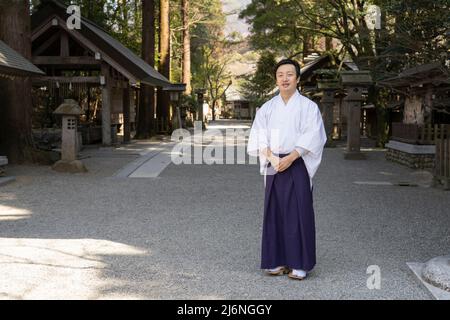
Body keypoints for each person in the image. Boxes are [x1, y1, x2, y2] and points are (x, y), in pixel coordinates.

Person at [247, 59, 327, 280]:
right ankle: (276, 260)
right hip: (273, 162)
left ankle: (299, 263)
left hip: (297, 161)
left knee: (298, 212)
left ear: (298, 79)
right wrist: (271, 157)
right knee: (274, 211)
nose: (284, 78)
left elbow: (313, 136)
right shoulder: (267, 108)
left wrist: (291, 157)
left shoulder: (308, 107)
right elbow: (259, 135)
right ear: (276, 79)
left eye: (290, 74)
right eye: (280, 74)